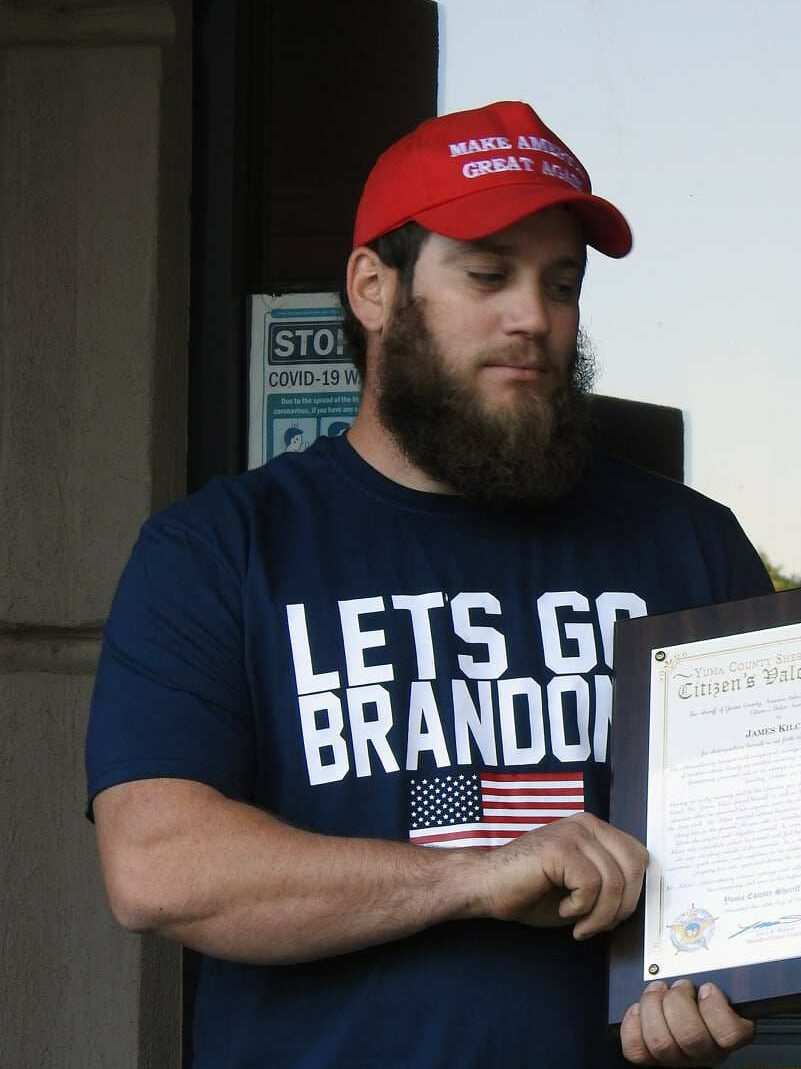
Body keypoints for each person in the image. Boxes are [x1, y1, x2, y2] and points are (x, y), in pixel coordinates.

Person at [86, 101, 764, 1068]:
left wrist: (726, 985)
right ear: (374, 286)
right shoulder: (221, 550)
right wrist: (475, 878)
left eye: (561, 283)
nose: (535, 316)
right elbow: (158, 865)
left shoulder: (688, 547)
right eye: (489, 274)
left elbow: (767, 841)